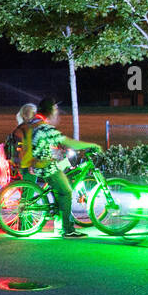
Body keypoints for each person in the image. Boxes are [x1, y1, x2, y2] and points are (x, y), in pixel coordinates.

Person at [28, 97, 101, 238]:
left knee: (60, 190)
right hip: (47, 167)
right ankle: (68, 229)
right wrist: (91, 145)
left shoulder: (35, 123)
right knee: (66, 192)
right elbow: (70, 142)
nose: (57, 112)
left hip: (37, 164)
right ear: (50, 111)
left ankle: (59, 224)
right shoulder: (46, 128)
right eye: (55, 109)